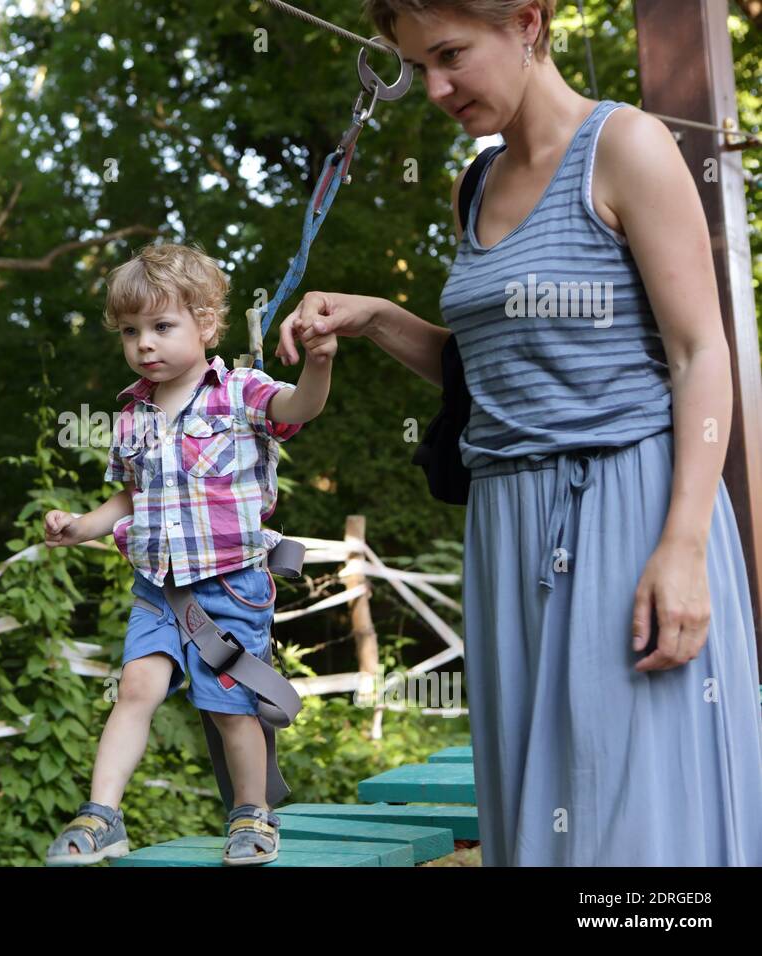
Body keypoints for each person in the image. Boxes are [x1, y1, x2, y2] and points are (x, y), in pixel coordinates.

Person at [274, 0, 762, 864]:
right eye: (419, 65)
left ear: (528, 23)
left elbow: (699, 355)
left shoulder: (627, 147)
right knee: (538, 819)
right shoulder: (477, 182)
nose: (435, 86)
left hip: (631, 510)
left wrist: (684, 543)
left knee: (627, 825)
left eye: (451, 55)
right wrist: (377, 319)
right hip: (506, 529)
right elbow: (497, 375)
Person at [41, 242, 336, 865]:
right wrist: (80, 527)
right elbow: (129, 498)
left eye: (161, 326)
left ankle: (252, 816)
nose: (144, 343)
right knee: (136, 690)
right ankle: (102, 816)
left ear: (205, 324)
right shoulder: (132, 417)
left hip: (228, 587)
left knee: (230, 706)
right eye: (131, 331)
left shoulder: (240, 393)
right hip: (157, 586)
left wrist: (319, 363)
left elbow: (300, 409)